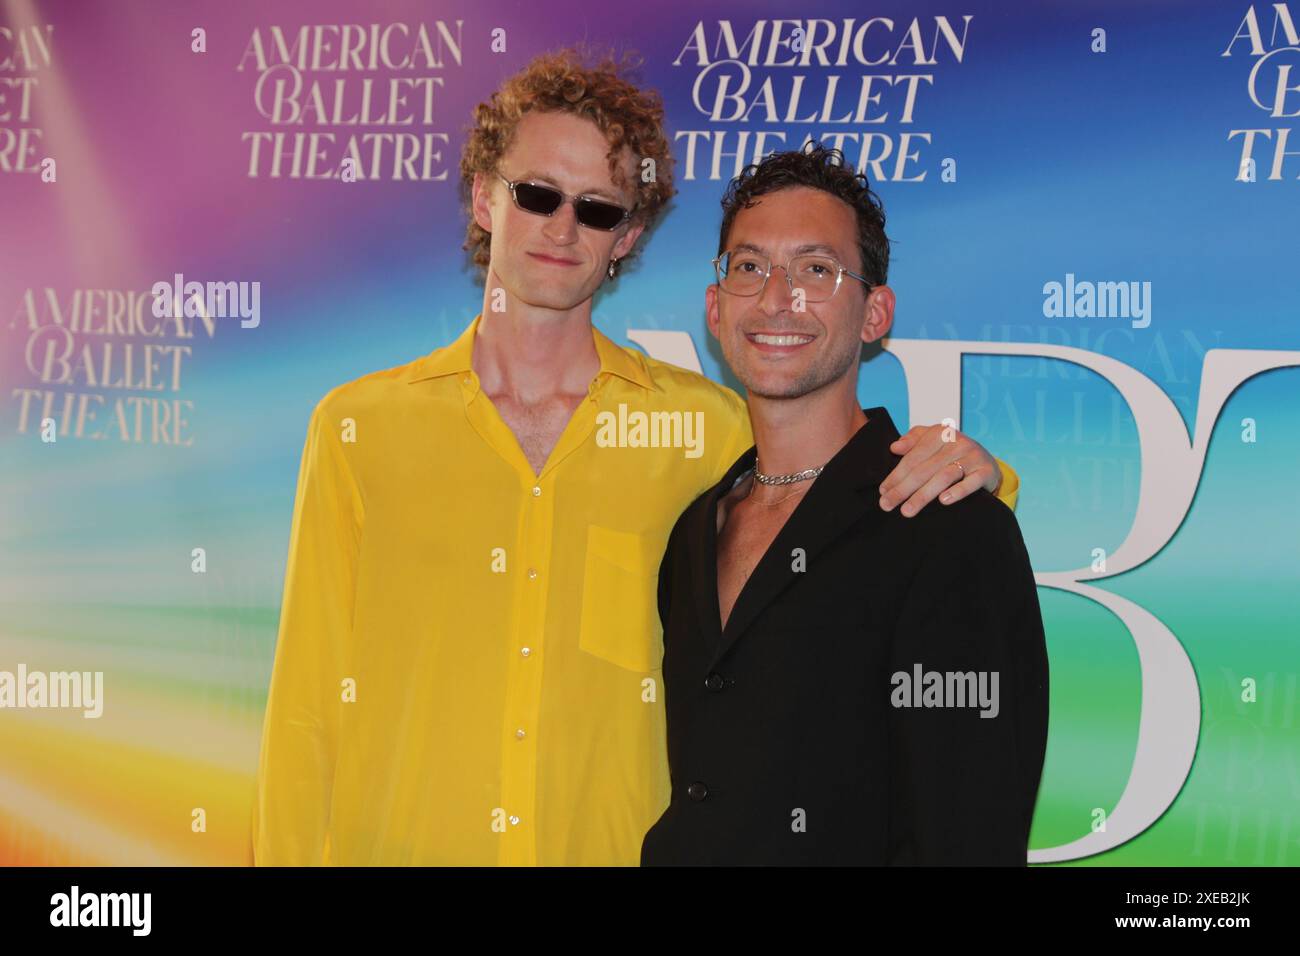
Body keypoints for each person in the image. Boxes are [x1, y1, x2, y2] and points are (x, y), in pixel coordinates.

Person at [252, 47, 1021, 867]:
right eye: (537, 193)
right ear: (484, 197)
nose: (560, 226)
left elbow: (848, 493)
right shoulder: (359, 428)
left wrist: (980, 472)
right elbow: (305, 711)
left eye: (596, 208)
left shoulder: (705, 428)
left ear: (629, 235)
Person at [641, 142, 1049, 865]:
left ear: (874, 314)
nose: (777, 298)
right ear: (714, 306)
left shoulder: (950, 528)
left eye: (816, 270)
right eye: (749, 267)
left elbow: (971, 829)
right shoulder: (693, 532)